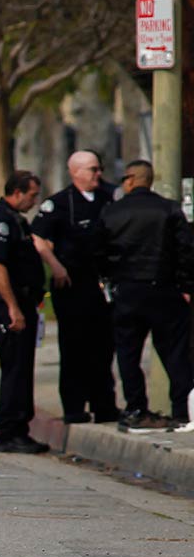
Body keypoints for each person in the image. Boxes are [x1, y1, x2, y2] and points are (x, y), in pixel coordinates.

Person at [98, 159, 194, 432]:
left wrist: (109, 279)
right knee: (175, 353)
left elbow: (98, 251)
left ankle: (137, 409)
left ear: (130, 180)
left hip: (127, 291)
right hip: (164, 290)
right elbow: (186, 251)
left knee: (128, 354)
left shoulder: (112, 213)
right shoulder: (169, 210)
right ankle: (182, 411)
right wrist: (185, 286)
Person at [30, 151, 119, 424]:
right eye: (93, 169)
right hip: (72, 284)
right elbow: (38, 238)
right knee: (74, 346)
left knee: (104, 347)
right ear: (76, 172)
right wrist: (56, 266)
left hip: (102, 284)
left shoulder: (108, 198)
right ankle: (74, 406)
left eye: (99, 168)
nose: (98, 174)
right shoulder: (59, 203)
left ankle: (104, 404)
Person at [0, 170, 50, 454]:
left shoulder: (16, 221)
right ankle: (8, 431)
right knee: (14, 370)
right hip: (10, 306)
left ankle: (20, 429)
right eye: (32, 195)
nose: (35, 201)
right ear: (17, 192)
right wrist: (12, 307)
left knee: (23, 369)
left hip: (24, 303)